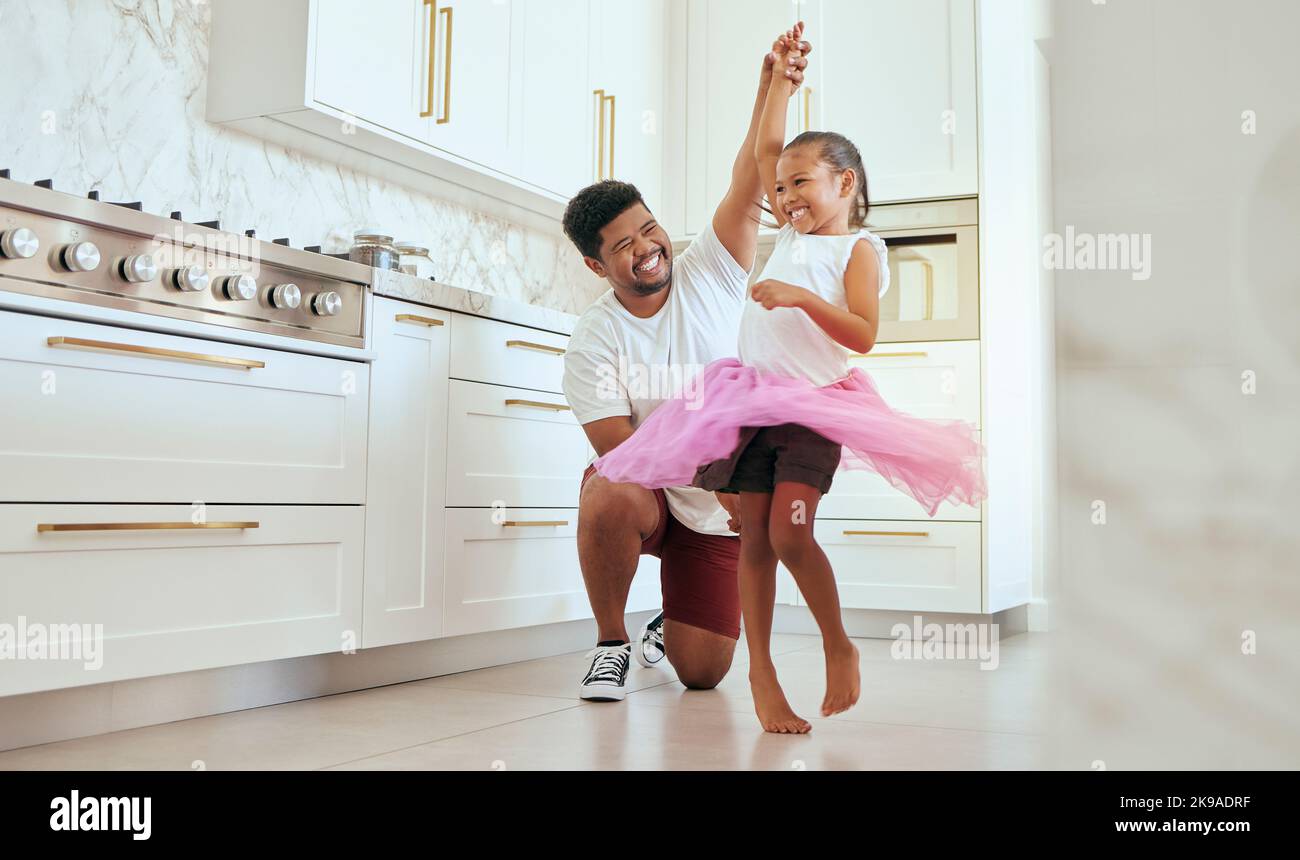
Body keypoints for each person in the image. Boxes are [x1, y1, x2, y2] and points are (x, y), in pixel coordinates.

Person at [593, 24, 986, 732]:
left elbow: (862, 335)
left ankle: (840, 646)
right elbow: (763, 152)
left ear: (845, 182)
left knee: (792, 535)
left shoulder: (859, 249)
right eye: (780, 188)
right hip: (749, 408)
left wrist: (800, 297)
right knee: (754, 544)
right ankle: (764, 679)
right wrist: (778, 80)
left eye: (801, 182)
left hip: (814, 410)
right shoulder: (790, 235)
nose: (785, 194)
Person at [560, 28, 813, 702]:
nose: (647, 249)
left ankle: (670, 625)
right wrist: (721, 480)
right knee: (607, 490)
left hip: (714, 513)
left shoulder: (712, 271)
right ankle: (611, 644)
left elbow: (747, 177)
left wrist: (774, 83)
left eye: (649, 229)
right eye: (623, 246)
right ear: (596, 265)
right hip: (650, 492)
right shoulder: (594, 340)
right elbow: (625, 452)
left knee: (703, 675)